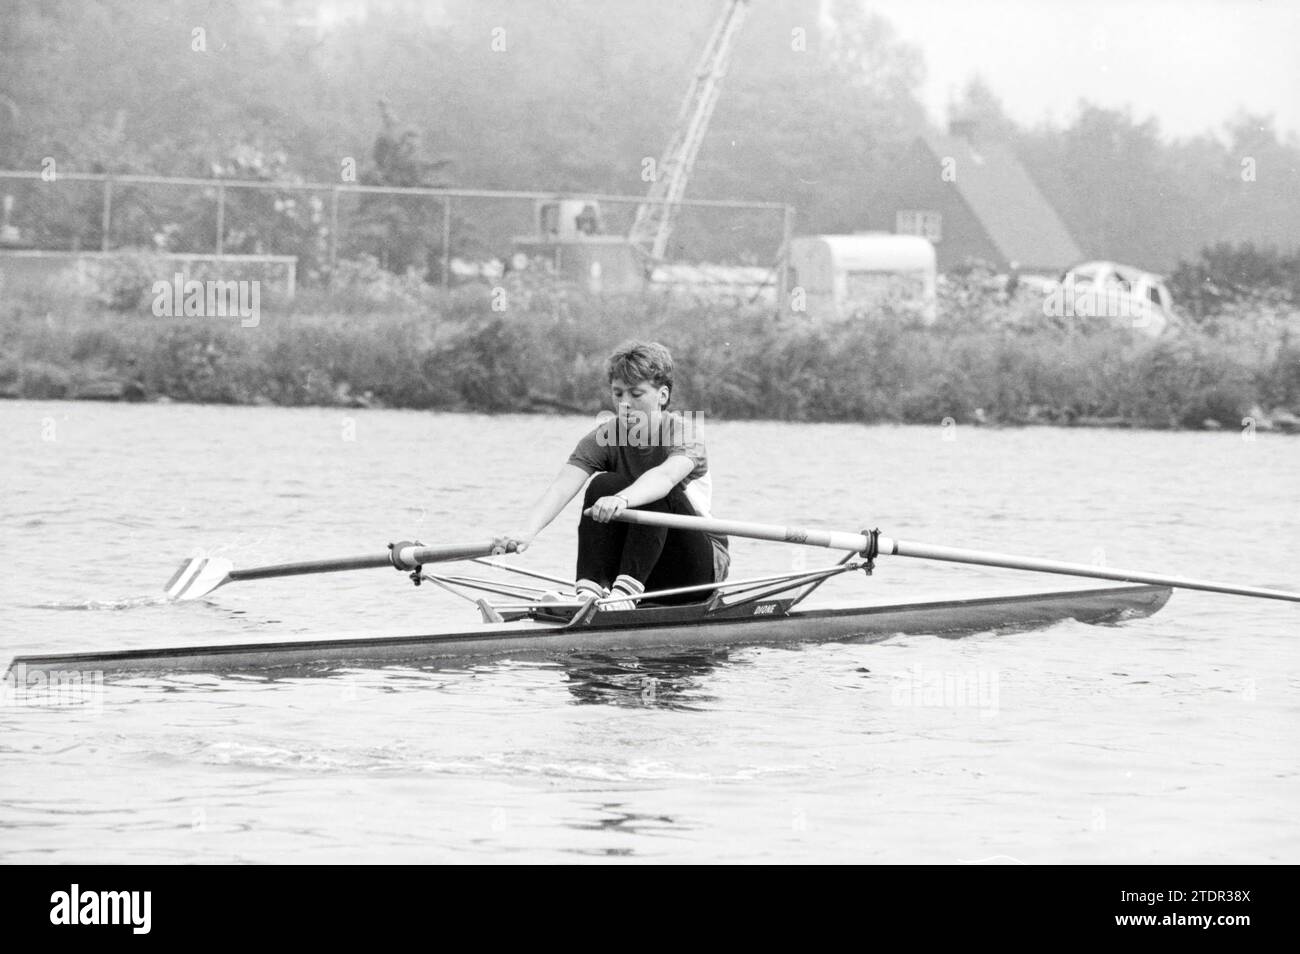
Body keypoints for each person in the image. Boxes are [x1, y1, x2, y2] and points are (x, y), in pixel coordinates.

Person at [494, 341, 728, 611]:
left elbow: (664, 477)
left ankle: (622, 598)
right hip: (644, 572)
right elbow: (561, 488)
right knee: (603, 484)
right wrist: (526, 532)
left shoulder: (685, 434)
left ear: (662, 395)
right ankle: (590, 593)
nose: (624, 404)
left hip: (694, 573)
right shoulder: (606, 436)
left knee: (654, 490)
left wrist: (623, 500)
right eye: (618, 394)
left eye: (636, 394)